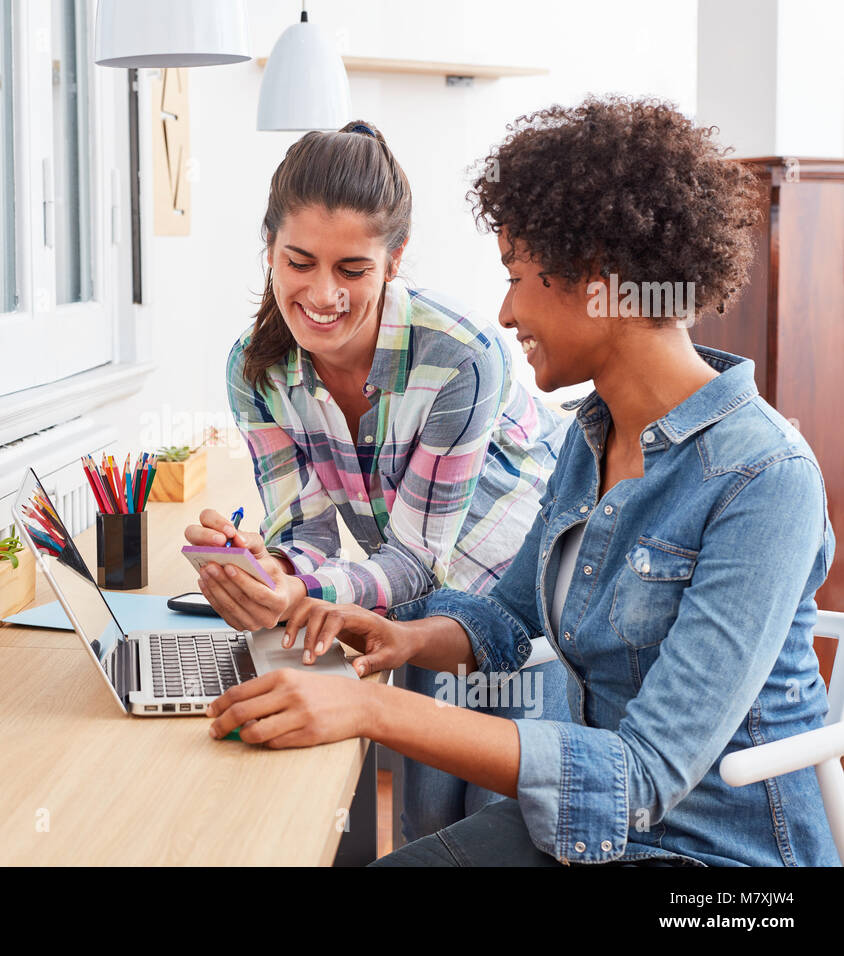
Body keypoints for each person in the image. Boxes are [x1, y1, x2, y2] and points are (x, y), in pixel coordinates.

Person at [201, 95, 840, 866]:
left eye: (516, 276)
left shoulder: (763, 479)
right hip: (594, 834)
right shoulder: (591, 437)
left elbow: (643, 775)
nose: (504, 313)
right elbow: (506, 624)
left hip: (723, 866)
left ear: (597, 277)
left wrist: (368, 707)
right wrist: (399, 636)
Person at [184, 119, 570, 842]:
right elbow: (306, 531)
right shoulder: (256, 370)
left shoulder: (460, 354)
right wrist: (266, 571)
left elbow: (420, 558)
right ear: (269, 249)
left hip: (521, 613)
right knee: (427, 829)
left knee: (512, 836)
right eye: (299, 262)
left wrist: (302, 590)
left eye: (352, 270)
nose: (323, 294)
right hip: (420, 623)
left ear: (393, 260)